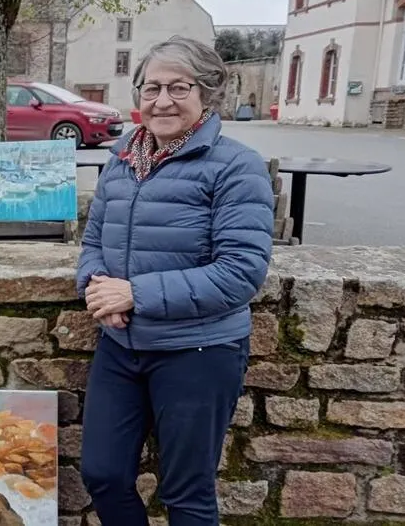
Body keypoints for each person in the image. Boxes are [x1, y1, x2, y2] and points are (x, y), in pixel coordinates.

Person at [76, 35, 274, 525]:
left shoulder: (236, 166)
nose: (162, 100)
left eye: (179, 88)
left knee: (186, 492)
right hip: (122, 345)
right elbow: (93, 242)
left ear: (206, 94)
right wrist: (97, 286)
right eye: (151, 88)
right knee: (103, 474)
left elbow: (241, 271)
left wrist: (135, 293)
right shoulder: (122, 160)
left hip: (198, 351)